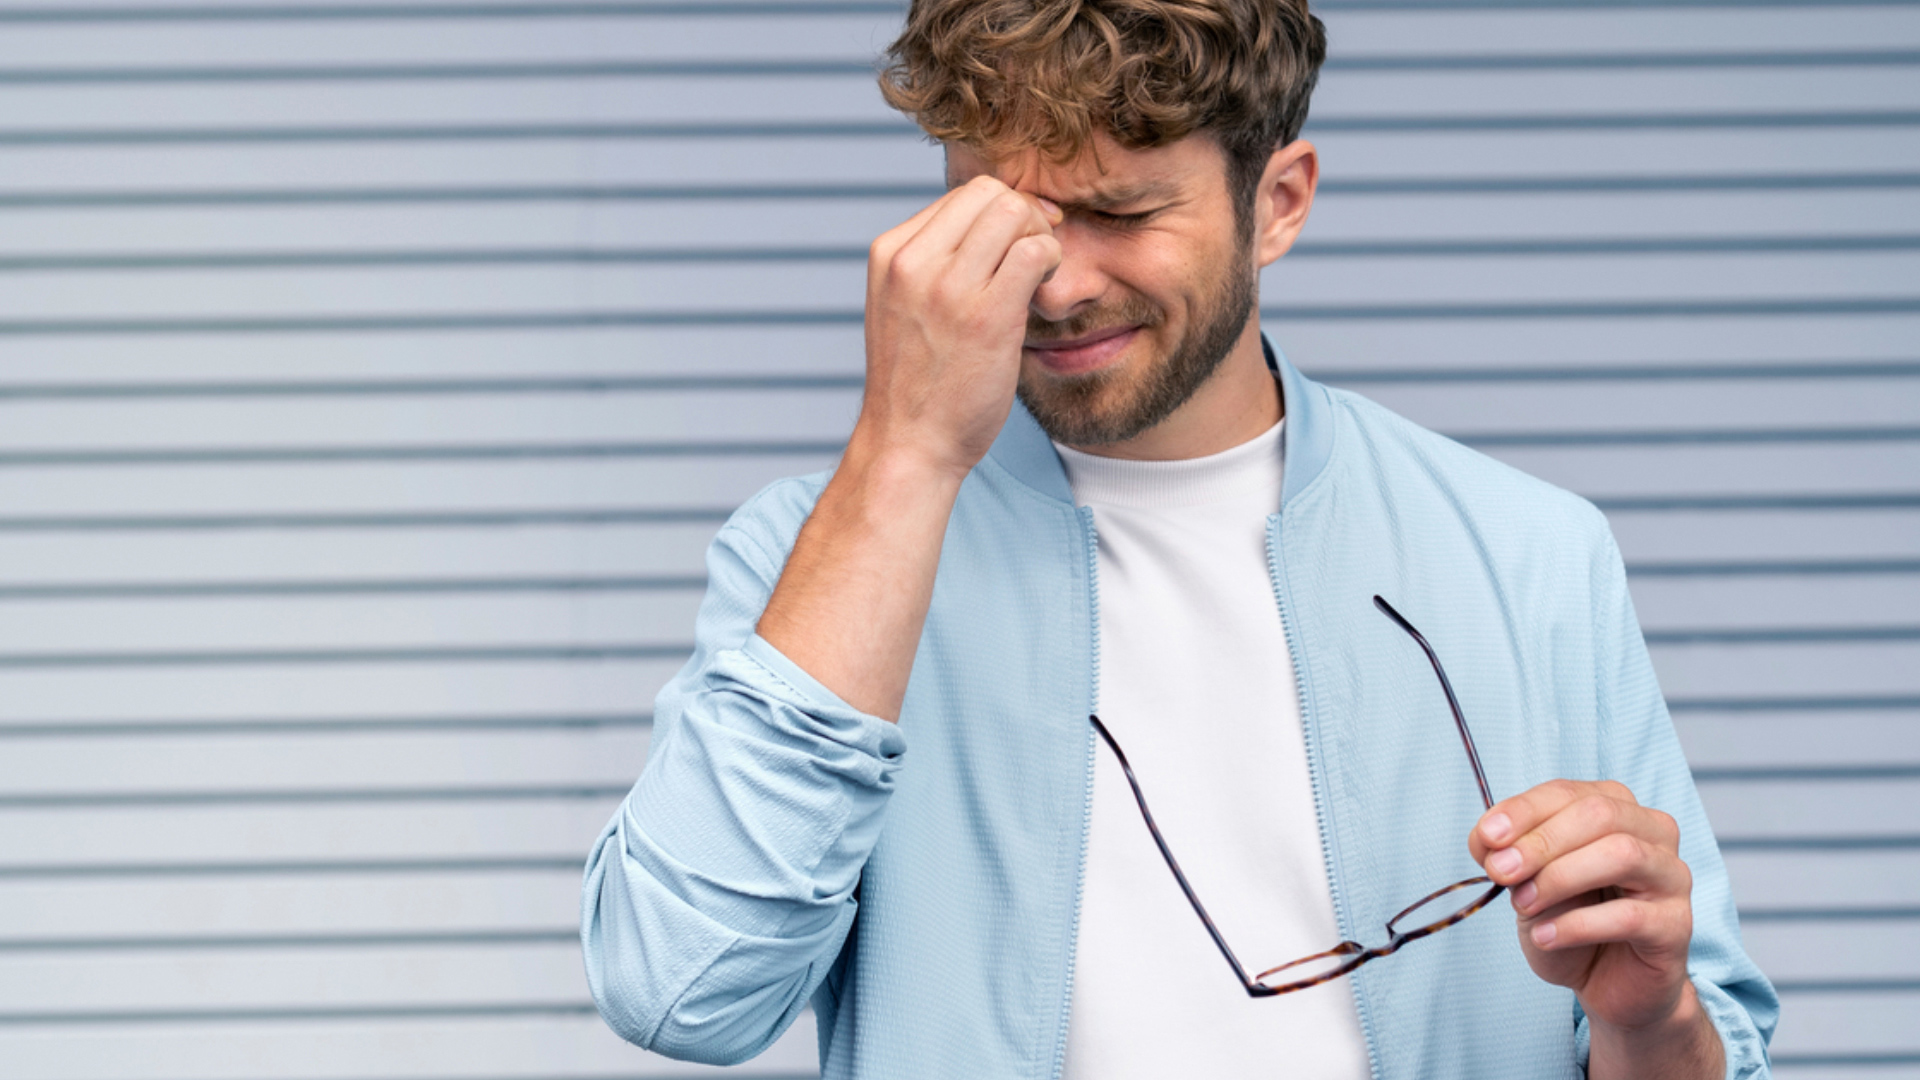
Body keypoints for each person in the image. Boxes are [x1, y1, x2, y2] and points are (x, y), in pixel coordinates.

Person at [580, 1, 1779, 1076]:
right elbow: (684, 990)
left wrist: (1648, 1021)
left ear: (1281, 203)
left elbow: (1690, 1037)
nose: (1054, 284)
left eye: (1120, 212)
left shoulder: (1532, 555)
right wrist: (904, 454)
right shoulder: (816, 548)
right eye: (1001, 215)